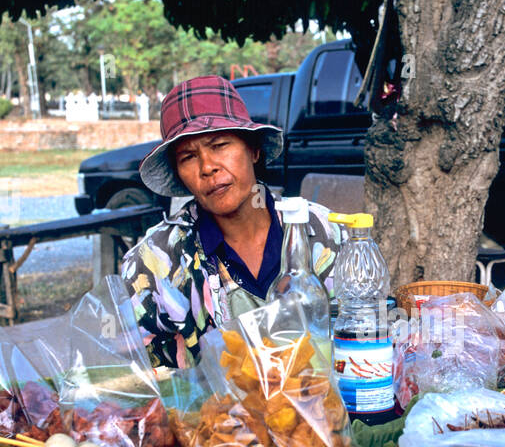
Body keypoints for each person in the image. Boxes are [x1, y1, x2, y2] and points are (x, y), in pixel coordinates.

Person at [120, 76, 344, 368]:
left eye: (220, 145)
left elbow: (367, 336)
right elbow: (124, 369)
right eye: (188, 156)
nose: (207, 167)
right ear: (179, 174)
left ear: (253, 150)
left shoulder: (324, 234)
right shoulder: (156, 262)